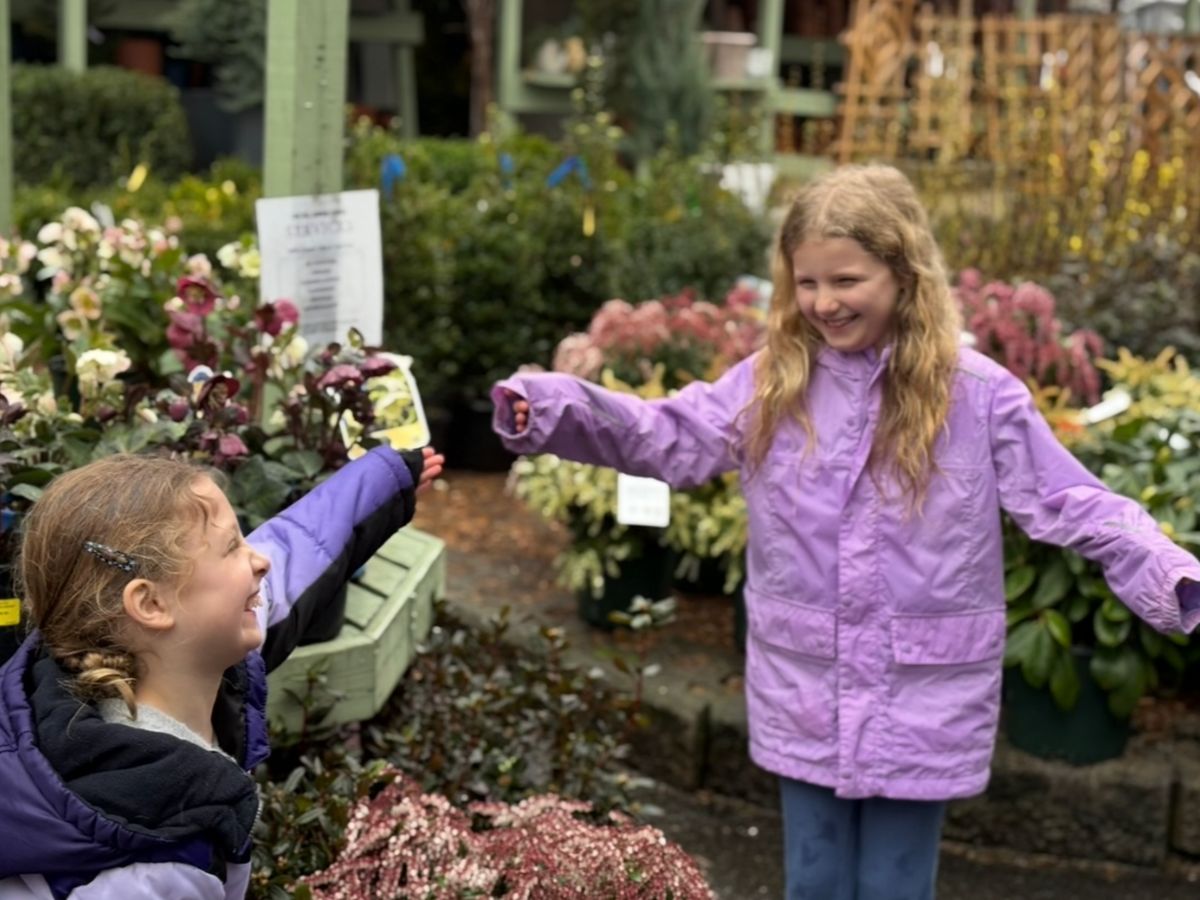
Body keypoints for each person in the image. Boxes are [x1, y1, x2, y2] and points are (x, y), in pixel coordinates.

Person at [490, 163, 1200, 900]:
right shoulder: (773, 383)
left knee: (897, 886)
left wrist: (1162, 567)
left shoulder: (977, 395)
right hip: (808, 681)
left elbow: (1068, 498)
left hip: (922, 691)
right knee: (815, 880)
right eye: (808, 283)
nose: (824, 303)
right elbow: (666, 434)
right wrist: (553, 409)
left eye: (847, 281)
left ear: (902, 272)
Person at [0, 443, 444, 899]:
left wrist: (383, 480)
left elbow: (295, 552)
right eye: (233, 546)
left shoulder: (109, 662)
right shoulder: (155, 867)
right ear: (151, 603)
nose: (260, 561)